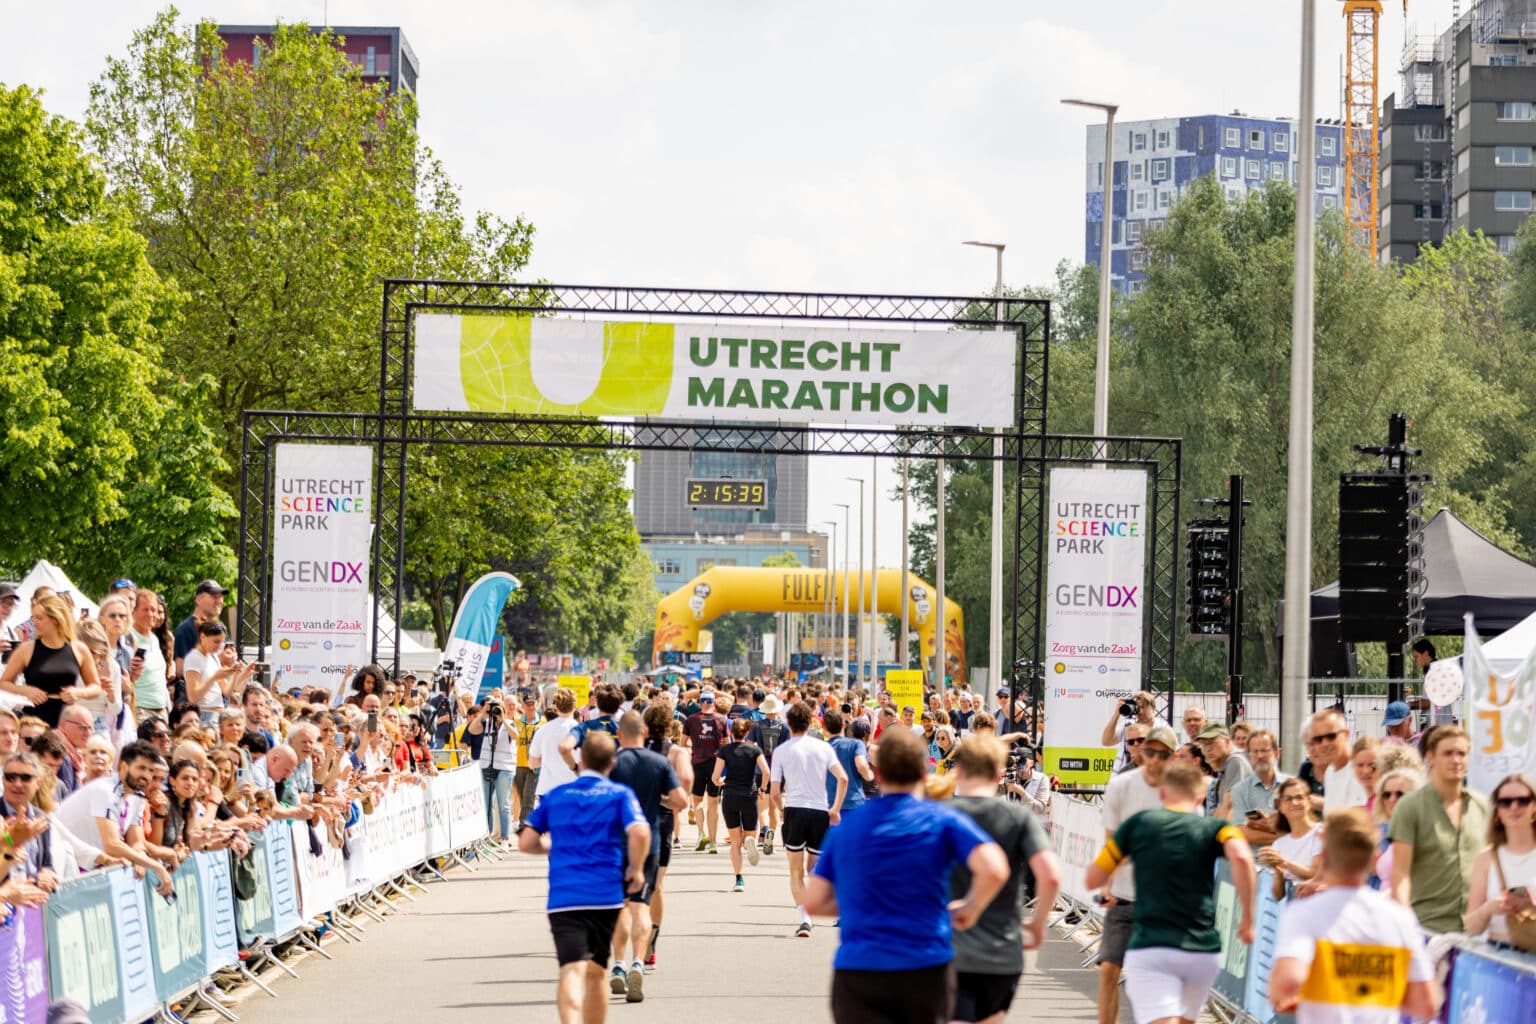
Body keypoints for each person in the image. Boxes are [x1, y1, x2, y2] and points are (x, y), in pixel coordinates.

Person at [803, 727, 1009, 1024]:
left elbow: (813, 901)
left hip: (861, 969)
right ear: (924, 771)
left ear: (878, 773)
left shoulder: (848, 827)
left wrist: (863, 902)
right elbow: (995, 868)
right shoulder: (942, 819)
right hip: (925, 966)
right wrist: (970, 908)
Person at [1085, 762, 1257, 1024]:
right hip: (1202, 951)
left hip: (1152, 946)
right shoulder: (1216, 828)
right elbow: (1243, 859)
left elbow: (1093, 878)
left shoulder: (1138, 824)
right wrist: (1247, 918)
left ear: (1163, 793)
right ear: (1200, 797)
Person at [518, 734, 650, 1024]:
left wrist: (554, 846)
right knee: (596, 971)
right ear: (612, 763)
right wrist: (637, 868)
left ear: (581, 760)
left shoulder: (556, 795)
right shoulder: (620, 794)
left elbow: (526, 842)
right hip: (606, 895)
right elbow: (641, 832)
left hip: (564, 897)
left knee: (570, 969)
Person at [1269, 808, 1440, 1023]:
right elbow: (1426, 1005)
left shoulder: (1304, 913)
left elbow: (1286, 984)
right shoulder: (1400, 917)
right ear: (1374, 858)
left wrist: (1315, 992)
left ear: (1324, 857)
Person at [947, 735, 1062, 1024]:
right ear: (999, 772)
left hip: (949, 945)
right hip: (1002, 951)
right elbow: (1050, 876)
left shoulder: (940, 815)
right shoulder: (1018, 818)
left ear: (959, 770)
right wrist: (1038, 924)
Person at [1094, 724, 1177, 1024]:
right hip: (1123, 896)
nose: (1149, 754)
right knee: (1108, 969)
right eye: (1143, 746)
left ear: (1172, 756)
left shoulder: (1179, 790)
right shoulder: (1121, 785)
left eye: (1161, 753)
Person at [608, 711, 685, 1000]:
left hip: (618, 841)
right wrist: (659, 798)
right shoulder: (659, 762)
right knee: (641, 905)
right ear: (644, 733)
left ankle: (618, 964)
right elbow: (681, 800)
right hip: (649, 841)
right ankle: (638, 962)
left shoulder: (612, 761)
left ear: (619, 735)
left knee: (620, 906)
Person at [1388, 724, 1488, 933]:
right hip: (1428, 929)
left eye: (1461, 753)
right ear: (1431, 757)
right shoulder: (1410, 807)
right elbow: (1400, 874)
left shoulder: (1482, 807)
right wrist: (1408, 925)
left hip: (1477, 933)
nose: (1456, 760)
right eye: (1448, 753)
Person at [53, 739, 174, 897]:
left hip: (92, 867)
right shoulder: (105, 790)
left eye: (150, 770)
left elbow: (136, 841)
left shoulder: (137, 796)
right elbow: (112, 844)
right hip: (65, 866)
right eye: (141, 768)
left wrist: (140, 857)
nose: (146, 775)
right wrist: (157, 867)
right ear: (123, 766)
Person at [771, 701, 849, 938]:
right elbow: (843, 778)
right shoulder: (823, 748)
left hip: (794, 809)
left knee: (795, 871)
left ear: (789, 724)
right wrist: (835, 808)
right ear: (810, 722)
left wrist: (781, 809)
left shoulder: (781, 751)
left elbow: (774, 792)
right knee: (814, 868)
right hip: (819, 811)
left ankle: (805, 919)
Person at [0, 594, 104, 728]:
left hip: (67, 720)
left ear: (55, 619)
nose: (34, 623)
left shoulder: (79, 649)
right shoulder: (26, 649)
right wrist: (25, 690)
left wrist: (78, 692)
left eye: (39, 618)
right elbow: (4, 683)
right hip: (34, 720)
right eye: (33, 618)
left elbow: (95, 687)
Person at [641, 701, 692, 970]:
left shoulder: (634, 749)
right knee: (657, 886)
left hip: (634, 821)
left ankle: (632, 942)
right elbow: (686, 781)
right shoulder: (675, 752)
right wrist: (672, 801)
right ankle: (651, 941)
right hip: (662, 820)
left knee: (630, 885)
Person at [1465, 772, 1536, 944]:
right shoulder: (1486, 858)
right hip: (1498, 952)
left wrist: (1531, 906)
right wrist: (1488, 909)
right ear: (1497, 810)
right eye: (1505, 802)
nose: (1514, 807)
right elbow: (1471, 928)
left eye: (1523, 800)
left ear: (1534, 806)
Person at [712, 717, 770, 893]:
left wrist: (720, 781)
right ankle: (749, 840)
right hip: (749, 796)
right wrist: (762, 788)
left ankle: (739, 879)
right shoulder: (754, 750)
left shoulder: (724, 750)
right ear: (747, 732)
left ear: (731, 732)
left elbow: (715, 777)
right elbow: (766, 772)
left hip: (730, 796)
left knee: (734, 842)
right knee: (750, 834)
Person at [0, 751, 57, 892]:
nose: (17, 784)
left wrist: (47, 874)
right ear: (3, 780)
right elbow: (7, 843)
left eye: (25, 778)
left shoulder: (41, 818)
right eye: (11, 777)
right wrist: (36, 880)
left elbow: (47, 863)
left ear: (38, 783)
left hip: (35, 900)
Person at [1259, 777, 1321, 898]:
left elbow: (1317, 874)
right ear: (1280, 807)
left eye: (1299, 797)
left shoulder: (1321, 834)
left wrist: (1284, 863)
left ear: (1309, 802)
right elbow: (1278, 895)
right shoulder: (1279, 844)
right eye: (1288, 799)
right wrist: (1278, 871)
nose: (1294, 803)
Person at [683, 690, 729, 852]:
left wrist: (696, 744)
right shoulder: (721, 719)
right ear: (714, 703)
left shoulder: (691, 719)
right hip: (715, 764)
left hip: (697, 763)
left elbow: (683, 743)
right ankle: (713, 841)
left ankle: (701, 833)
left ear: (700, 703)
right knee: (713, 803)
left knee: (697, 801)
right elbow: (727, 744)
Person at [747, 694, 789, 852]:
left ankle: (763, 833)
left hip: (761, 769)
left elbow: (749, 745)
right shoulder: (784, 727)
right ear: (777, 710)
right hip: (778, 770)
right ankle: (770, 837)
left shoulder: (756, 726)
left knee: (762, 805)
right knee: (774, 807)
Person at [529, 688, 580, 806]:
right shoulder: (581, 730)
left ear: (556, 706)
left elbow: (532, 763)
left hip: (547, 788)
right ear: (574, 706)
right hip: (572, 788)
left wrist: (548, 759)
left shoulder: (543, 730)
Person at [1309, 709, 1366, 812]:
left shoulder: (1361, 770)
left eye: (1331, 736)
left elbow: (1357, 818)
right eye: (1318, 739)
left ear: (1346, 734)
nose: (1325, 743)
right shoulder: (1330, 771)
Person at [1227, 728, 1288, 823]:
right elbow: (1240, 828)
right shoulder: (1239, 791)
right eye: (1255, 751)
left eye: (1264, 750)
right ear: (1249, 756)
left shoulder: (1291, 785)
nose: (1260, 756)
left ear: (1277, 753)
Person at [1198, 723, 1252, 821]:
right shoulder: (1226, 764)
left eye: (1212, 743)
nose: (1208, 749)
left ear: (1227, 741)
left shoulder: (1235, 761)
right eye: (1204, 744)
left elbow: (1229, 807)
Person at [824, 708, 872, 818]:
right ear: (843, 725)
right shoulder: (856, 744)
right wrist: (869, 776)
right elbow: (862, 765)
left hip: (829, 804)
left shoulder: (821, 748)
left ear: (824, 728)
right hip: (854, 802)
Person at [172, 579, 225, 676]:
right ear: (198, 600)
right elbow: (179, 669)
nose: (219, 601)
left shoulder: (219, 627)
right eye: (214, 597)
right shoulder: (185, 629)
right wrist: (218, 661)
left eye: (220, 597)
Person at [1102, 691, 1157, 774]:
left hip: (1147, 777)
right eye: (1138, 707)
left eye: (1143, 707)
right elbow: (1106, 741)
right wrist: (1116, 714)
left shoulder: (1161, 728)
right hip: (1120, 776)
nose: (1140, 711)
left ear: (1153, 708)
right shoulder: (1128, 724)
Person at [512, 688, 543, 829]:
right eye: (528, 704)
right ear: (523, 706)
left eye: (532, 704)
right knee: (522, 797)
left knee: (529, 797)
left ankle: (524, 826)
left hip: (534, 766)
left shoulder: (542, 722)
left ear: (537, 704)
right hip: (519, 764)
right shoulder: (517, 721)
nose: (530, 707)